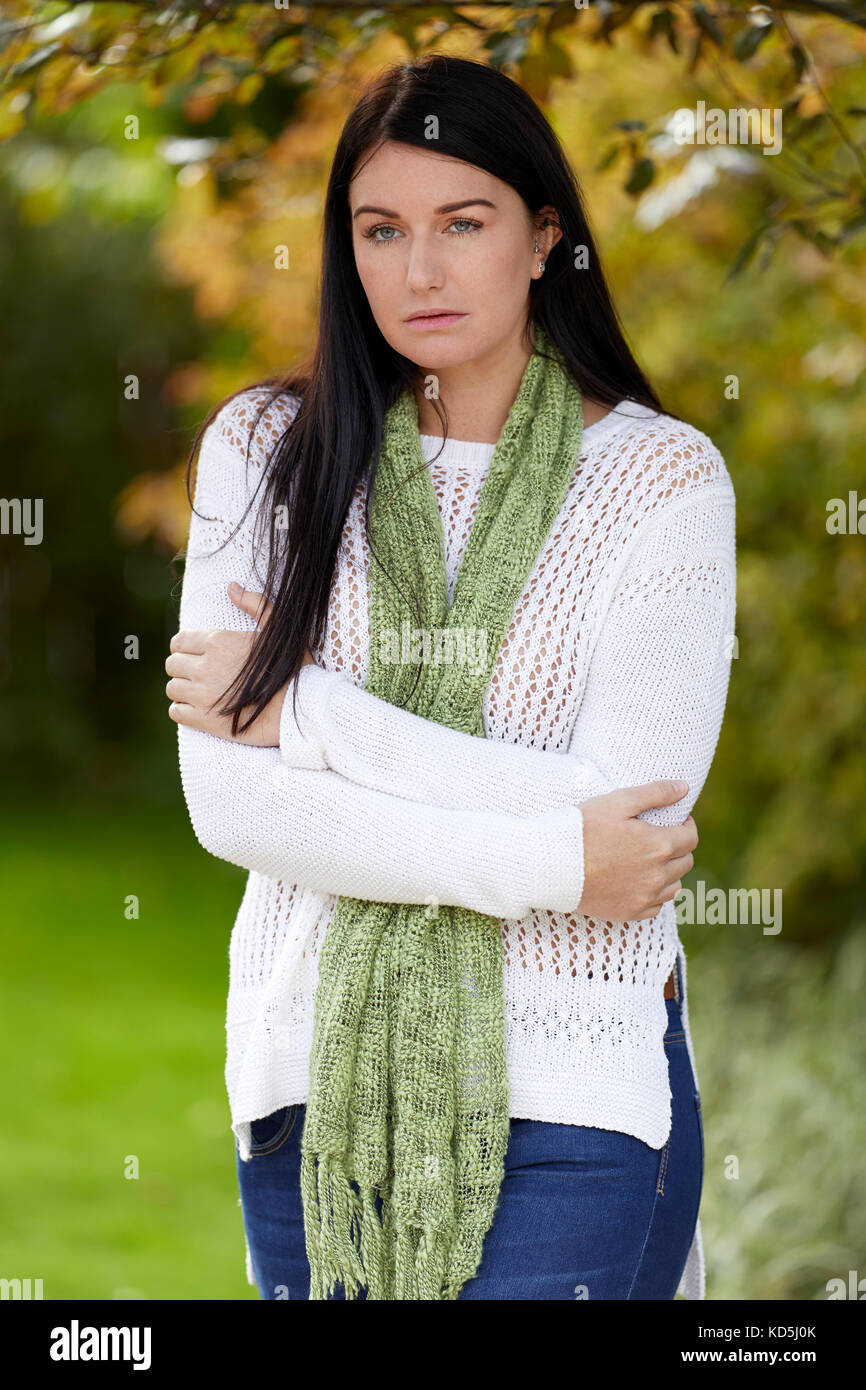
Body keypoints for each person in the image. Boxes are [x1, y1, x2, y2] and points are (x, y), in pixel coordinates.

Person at [165, 54, 735, 1300]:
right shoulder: (264, 453)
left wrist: (309, 711)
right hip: (313, 1082)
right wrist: (552, 861)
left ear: (541, 237)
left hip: (574, 1087)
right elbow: (239, 808)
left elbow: (627, 818)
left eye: (460, 224)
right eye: (380, 230)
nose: (417, 272)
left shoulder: (658, 482)